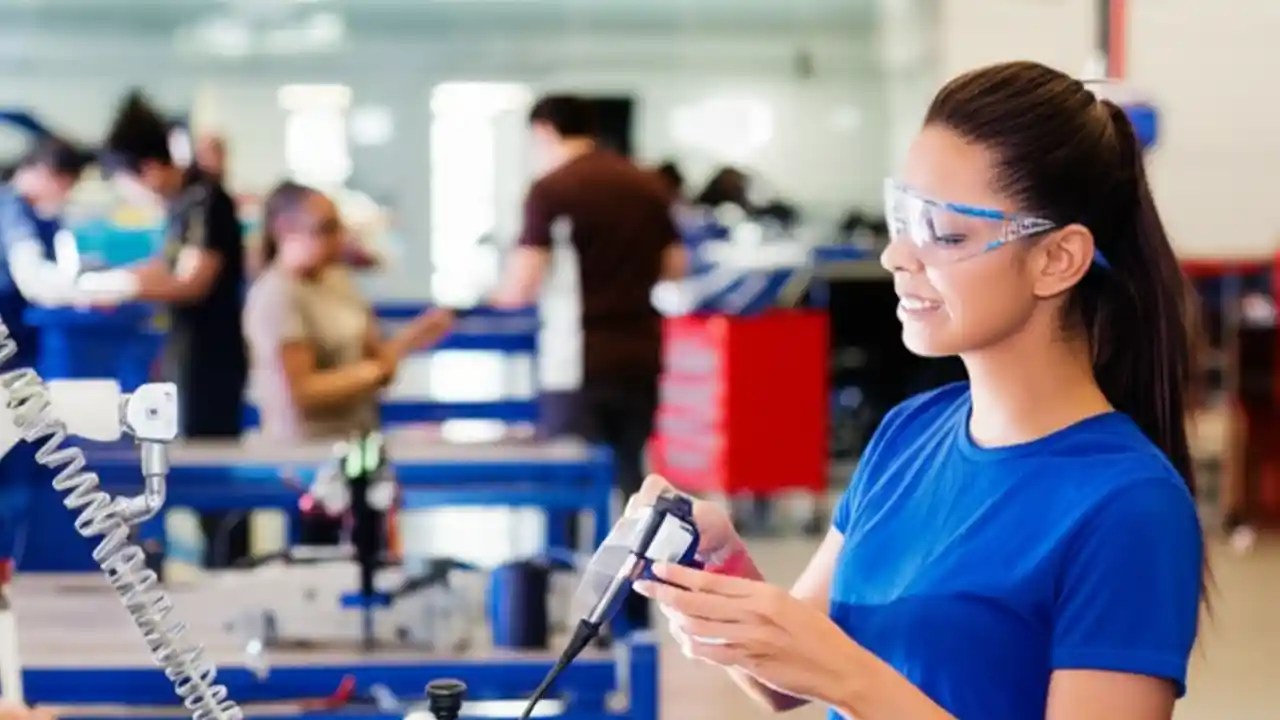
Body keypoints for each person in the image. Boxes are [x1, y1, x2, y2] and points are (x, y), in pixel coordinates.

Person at [630, 61, 1204, 720]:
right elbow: (784, 683)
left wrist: (850, 678)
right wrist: (716, 567)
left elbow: (833, 669)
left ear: (1057, 259)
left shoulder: (1128, 507)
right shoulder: (910, 433)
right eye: (901, 216)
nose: (897, 255)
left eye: (943, 231)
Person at [480, 94, 686, 629]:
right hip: (640, 354)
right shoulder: (645, 184)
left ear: (544, 129)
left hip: (576, 363)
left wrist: (487, 297)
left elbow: (521, 285)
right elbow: (675, 266)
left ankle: (569, 608)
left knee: (567, 488)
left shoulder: (552, 190)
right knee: (627, 483)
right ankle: (630, 609)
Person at [102, 91, 249, 568]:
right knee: (189, 460)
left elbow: (191, 282)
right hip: (187, 355)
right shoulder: (184, 204)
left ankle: (229, 569)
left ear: (147, 169)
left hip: (213, 361)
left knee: (216, 473)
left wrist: (122, 287)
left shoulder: (206, 200)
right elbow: (166, 268)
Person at [243, 181, 453, 441]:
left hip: (359, 441)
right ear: (286, 229)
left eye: (339, 228)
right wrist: (372, 371)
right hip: (305, 453)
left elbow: (379, 361)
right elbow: (302, 393)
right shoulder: (276, 295)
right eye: (326, 229)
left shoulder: (340, 281)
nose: (338, 240)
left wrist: (410, 340)